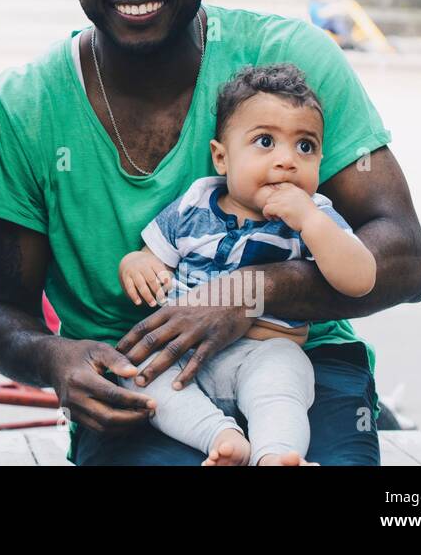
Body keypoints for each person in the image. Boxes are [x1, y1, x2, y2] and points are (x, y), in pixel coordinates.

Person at [0, 0, 421, 466]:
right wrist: (56, 359)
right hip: (143, 382)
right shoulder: (22, 105)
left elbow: (404, 257)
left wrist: (247, 293)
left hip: (301, 357)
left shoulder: (291, 62)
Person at [118, 63, 376, 466]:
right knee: (139, 376)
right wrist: (136, 264)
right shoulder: (195, 203)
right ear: (221, 157)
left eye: (305, 146)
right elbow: (152, 254)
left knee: (282, 387)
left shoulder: (315, 216)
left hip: (265, 352)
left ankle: (275, 456)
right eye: (265, 142)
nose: (287, 160)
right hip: (183, 353)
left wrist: (309, 221)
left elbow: (360, 279)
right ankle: (219, 438)